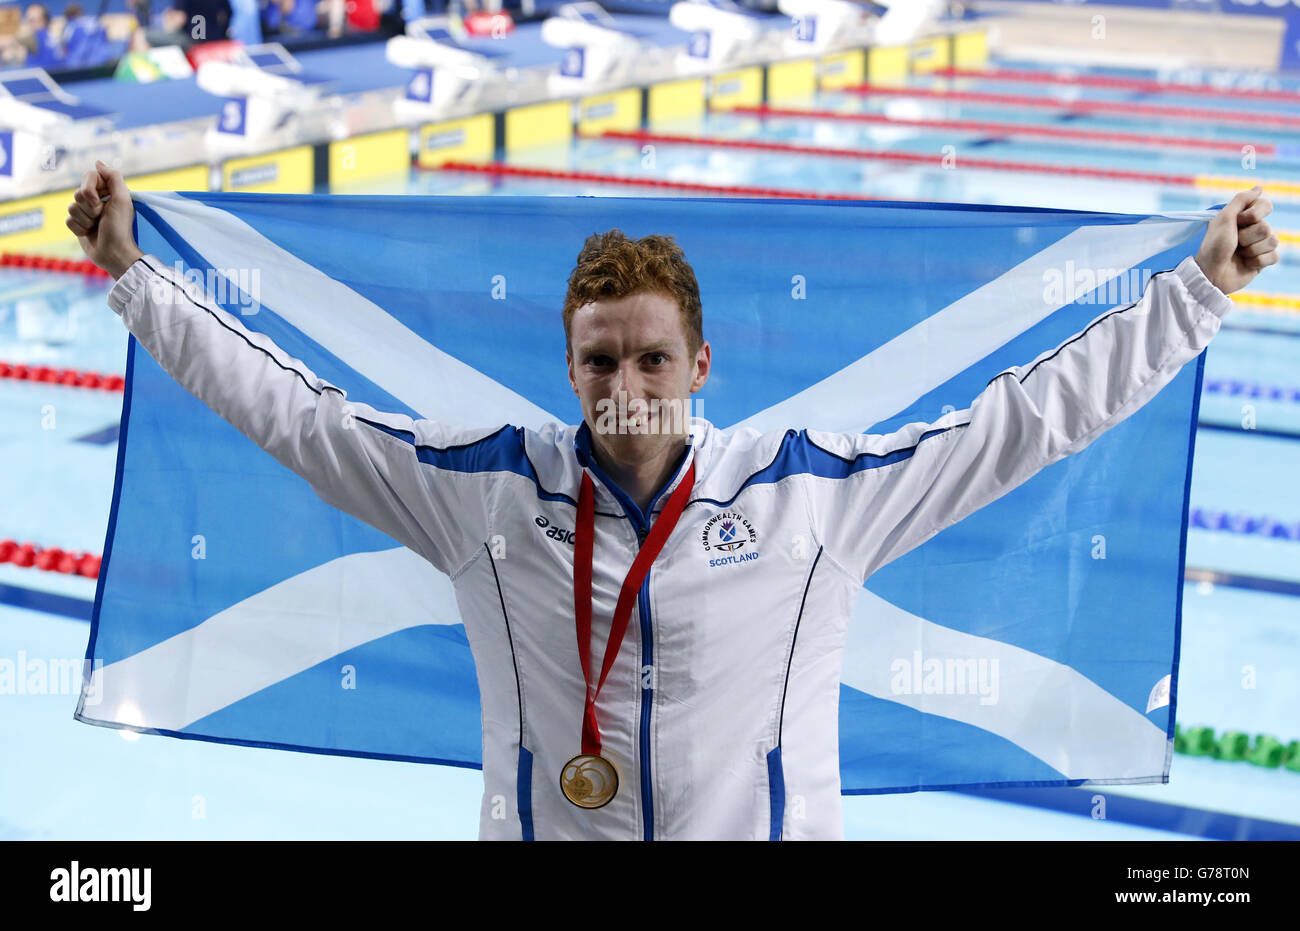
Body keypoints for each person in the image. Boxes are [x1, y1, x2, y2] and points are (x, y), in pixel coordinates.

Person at [66, 161, 1277, 840]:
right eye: (600, 359)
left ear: (700, 365)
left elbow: (1028, 418)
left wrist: (1195, 293)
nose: (625, 383)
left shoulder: (812, 497)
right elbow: (293, 410)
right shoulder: (483, 492)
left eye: (651, 358)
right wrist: (134, 274)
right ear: (569, 368)